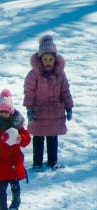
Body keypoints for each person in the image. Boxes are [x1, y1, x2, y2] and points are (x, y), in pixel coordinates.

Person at [23, 34, 75, 171]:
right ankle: (37, 163)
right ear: (40, 59)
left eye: (50, 59)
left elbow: (65, 91)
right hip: (38, 111)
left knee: (52, 137)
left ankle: (53, 161)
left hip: (55, 112)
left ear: (55, 59)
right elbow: (29, 91)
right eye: (45, 59)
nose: (47, 62)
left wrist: (69, 106)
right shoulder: (34, 74)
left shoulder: (60, 74)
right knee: (38, 137)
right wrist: (29, 108)